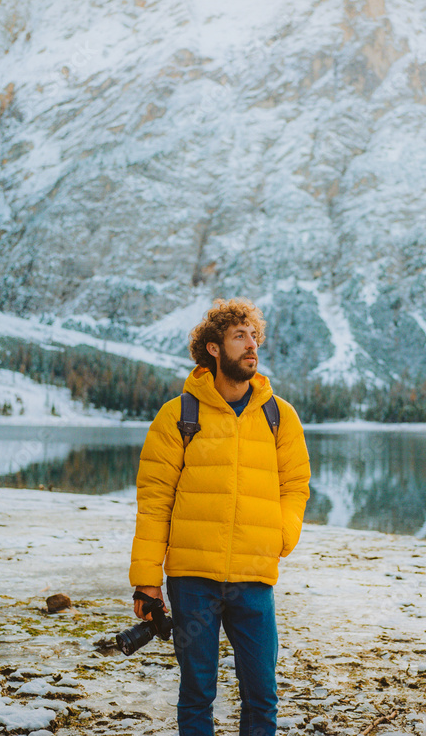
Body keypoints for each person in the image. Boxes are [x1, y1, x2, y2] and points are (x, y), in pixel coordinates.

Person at [129, 298, 311, 736]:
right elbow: (155, 502)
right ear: (213, 348)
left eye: (254, 337)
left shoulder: (278, 415)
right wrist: (146, 580)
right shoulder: (178, 416)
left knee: (262, 697)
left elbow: (296, 485)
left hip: (254, 578)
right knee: (197, 694)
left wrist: (280, 537)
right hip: (193, 581)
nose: (252, 346)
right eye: (239, 337)